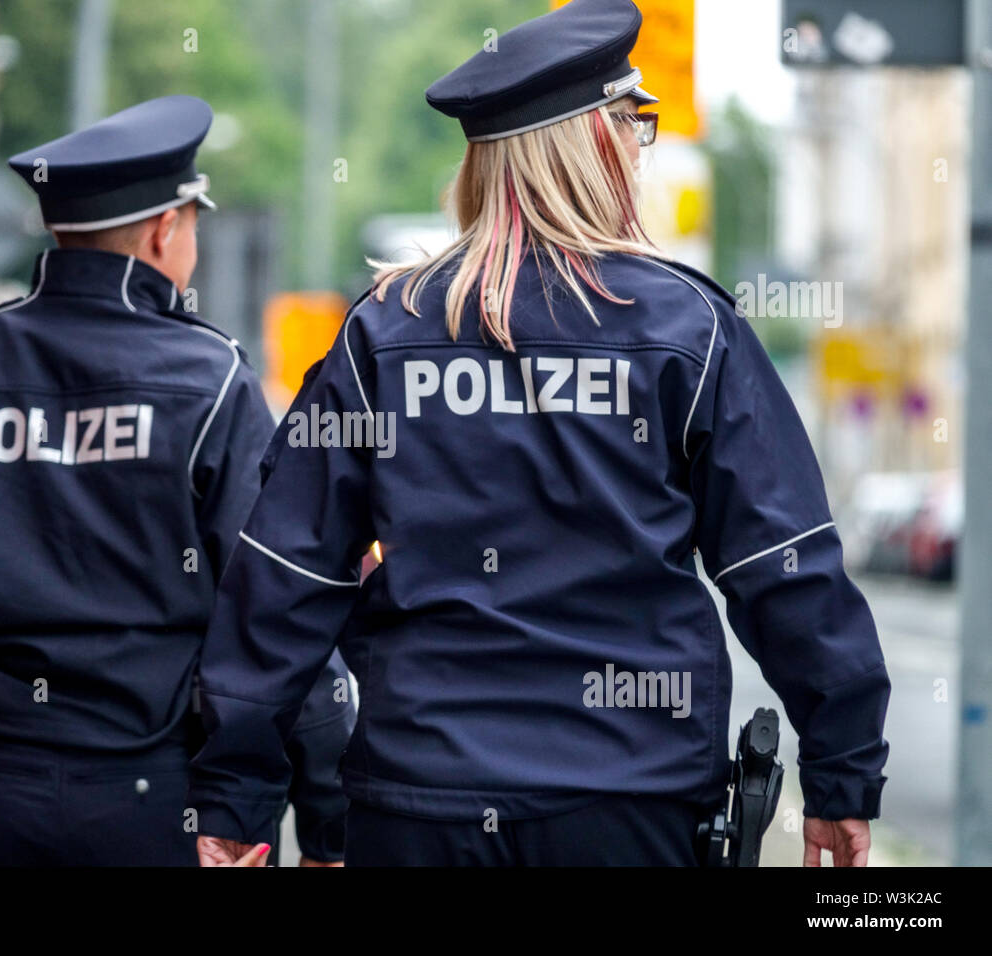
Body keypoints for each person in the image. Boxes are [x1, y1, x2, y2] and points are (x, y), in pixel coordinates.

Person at [187, 0, 889, 867]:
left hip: (423, 798)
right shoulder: (687, 332)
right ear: (593, 146)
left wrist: (234, 794)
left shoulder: (383, 335)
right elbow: (785, 571)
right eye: (634, 124)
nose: (643, 148)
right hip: (629, 797)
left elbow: (286, 575)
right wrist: (842, 772)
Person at [0, 94, 353, 867]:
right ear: (167, 228)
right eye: (195, 223)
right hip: (167, 817)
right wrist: (325, 822)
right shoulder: (212, 384)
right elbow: (275, 610)